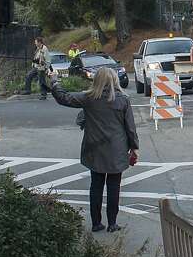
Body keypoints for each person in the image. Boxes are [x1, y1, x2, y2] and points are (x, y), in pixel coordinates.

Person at [49, 66, 139, 233]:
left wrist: (55, 81)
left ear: (96, 80)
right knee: (114, 187)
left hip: (95, 148)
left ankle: (96, 223)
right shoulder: (122, 100)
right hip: (116, 150)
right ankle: (112, 223)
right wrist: (134, 147)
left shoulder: (89, 98)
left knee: (96, 186)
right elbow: (130, 127)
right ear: (114, 80)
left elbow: (63, 98)